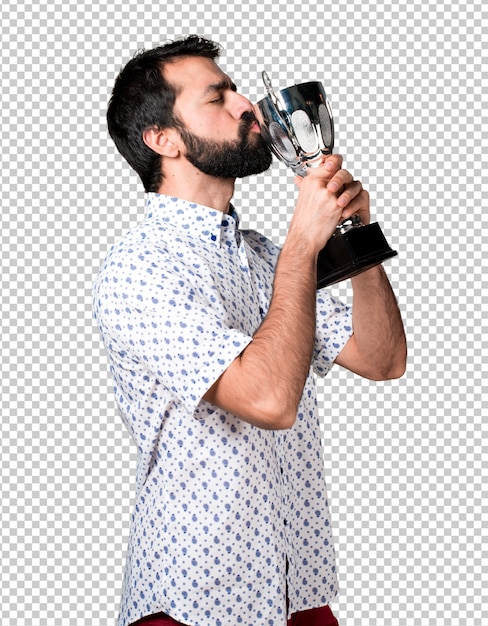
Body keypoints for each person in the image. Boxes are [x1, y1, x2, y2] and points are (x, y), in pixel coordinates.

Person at [93, 35, 406, 626]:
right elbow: (267, 399)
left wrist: (355, 242)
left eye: (236, 89)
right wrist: (302, 246)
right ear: (162, 139)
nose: (246, 105)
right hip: (196, 600)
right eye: (218, 97)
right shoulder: (139, 267)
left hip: (298, 592)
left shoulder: (264, 256)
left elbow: (382, 359)